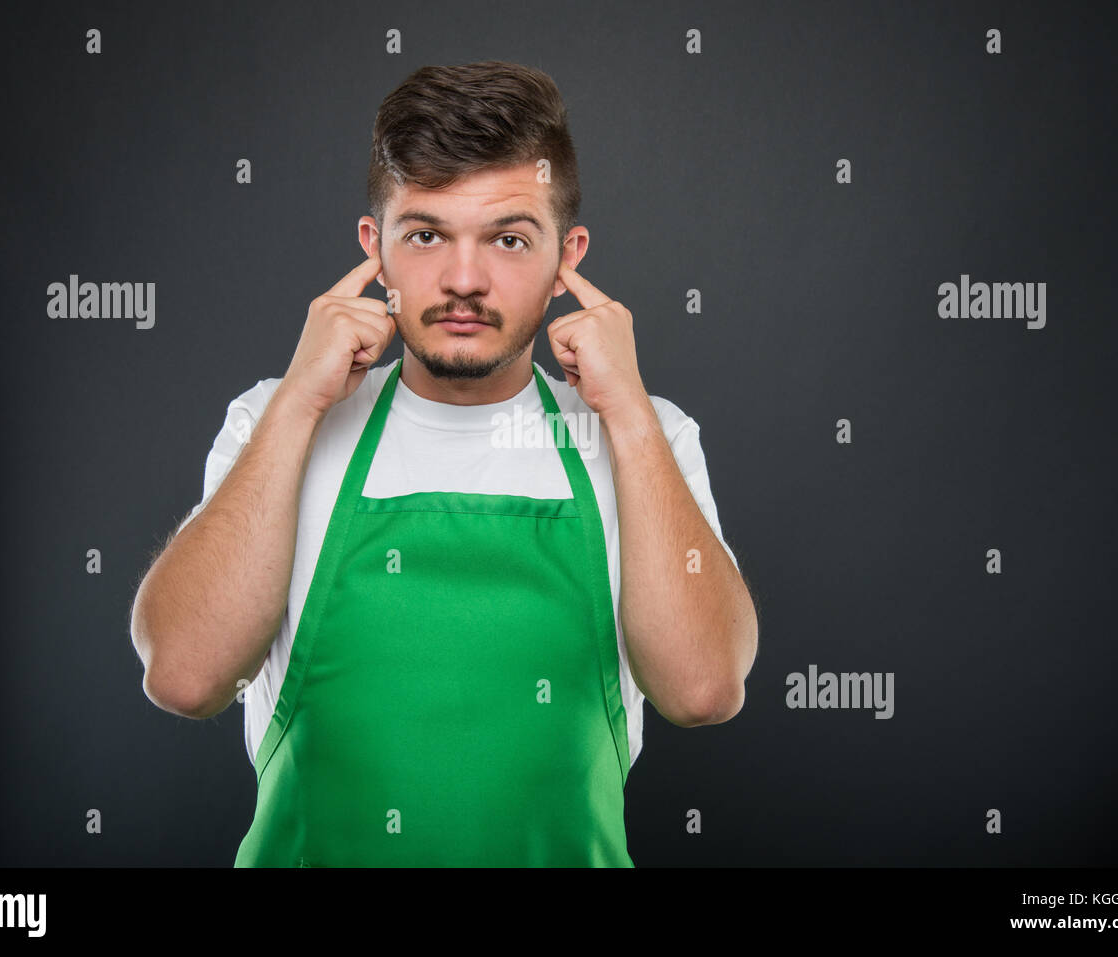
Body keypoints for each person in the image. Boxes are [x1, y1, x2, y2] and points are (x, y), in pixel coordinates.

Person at [130, 60, 758, 867]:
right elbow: (184, 676)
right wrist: (295, 403)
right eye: (425, 235)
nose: (464, 279)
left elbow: (703, 690)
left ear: (567, 258)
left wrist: (629, 413)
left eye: (508, 238)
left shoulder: (647, 438)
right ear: (375, 248)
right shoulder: (274, 421)